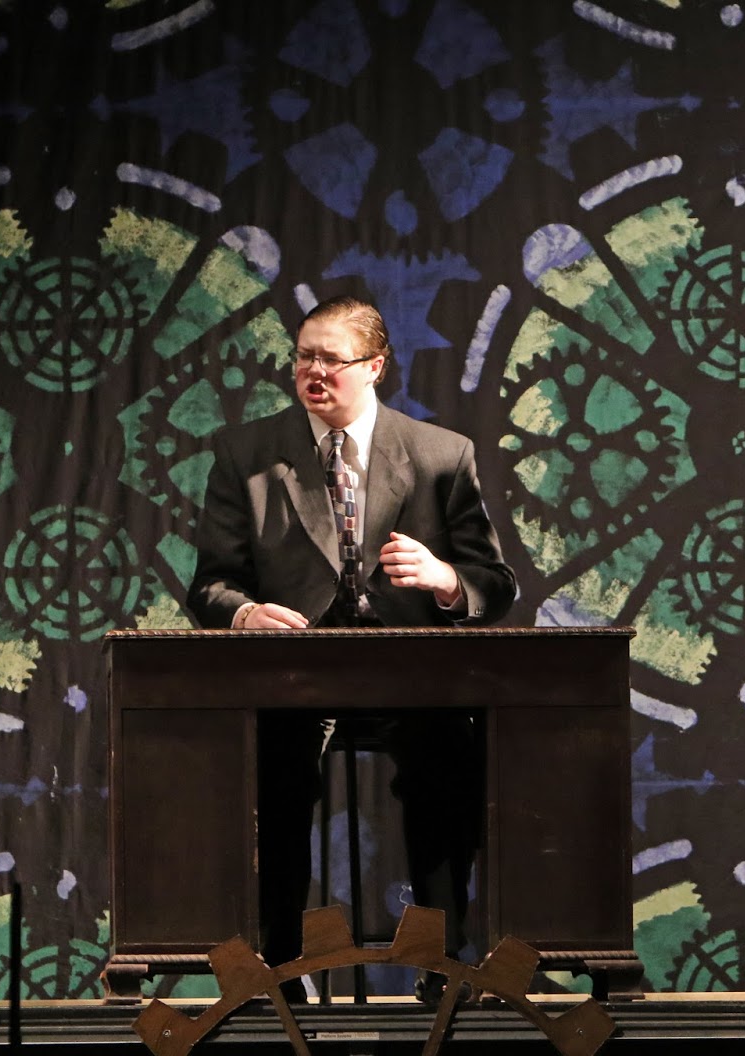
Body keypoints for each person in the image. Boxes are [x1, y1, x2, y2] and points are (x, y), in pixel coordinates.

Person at [188, 296, 516, 1002]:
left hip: (409, 671)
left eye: (330, 360)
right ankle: (280, 960)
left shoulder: (440, 454)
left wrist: (446, 580)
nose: (312, 371)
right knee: (271, 771)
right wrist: (245, 615)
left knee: (446, 762)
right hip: (294, 673)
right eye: (303, 356)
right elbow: (209, 585)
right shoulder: (245, 453)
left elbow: (497, 582)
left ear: (374, 367)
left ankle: (444, 958)